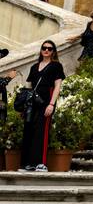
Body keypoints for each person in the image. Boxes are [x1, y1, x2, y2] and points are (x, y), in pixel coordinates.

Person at [17, 39, 65, 172]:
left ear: (53, 52)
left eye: (50, 49)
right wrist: (24, 105)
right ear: (41, 50)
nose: (46, 50)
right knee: (29, 131)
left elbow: (57, 86)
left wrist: (51, 104)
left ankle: (40, 163)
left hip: (46, 102)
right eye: (44, 48)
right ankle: (28, 163)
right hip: (32, 104)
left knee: (41, 132)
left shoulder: (56, 66)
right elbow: (28, 86)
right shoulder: (34, 67)